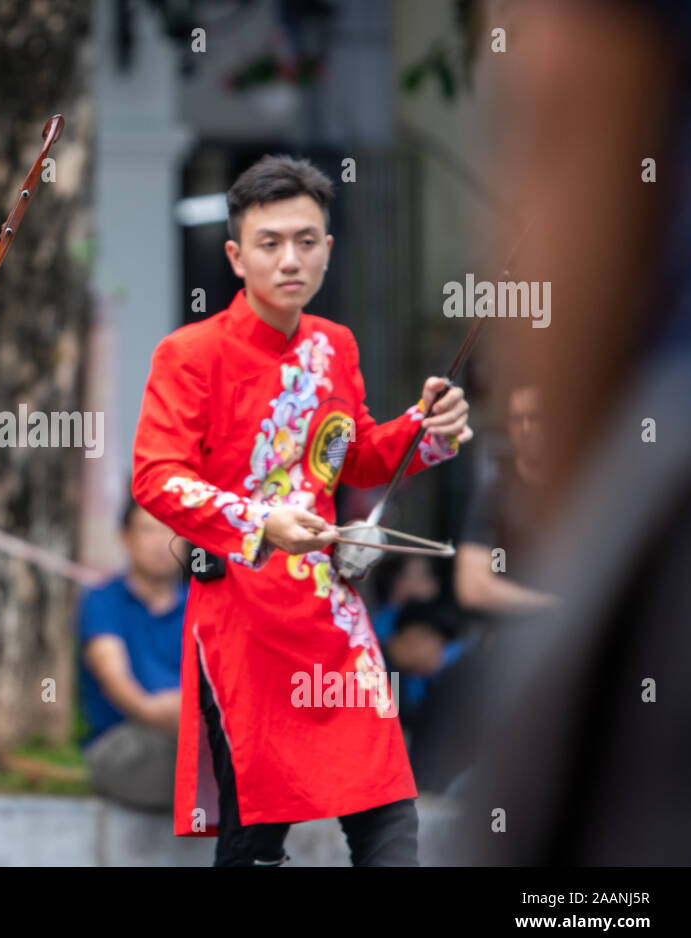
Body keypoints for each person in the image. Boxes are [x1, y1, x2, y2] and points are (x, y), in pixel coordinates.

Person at [132, 154, 472, 866]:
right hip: (242, 622)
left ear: (328, 248)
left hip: (331, 618)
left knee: (387, 815)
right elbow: (157, 478)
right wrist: (260, 523)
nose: (291, 259)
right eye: (270, 243)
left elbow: (352, 457)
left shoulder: (335, 346)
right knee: (255, 836)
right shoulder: (188, 354)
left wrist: (424, 428)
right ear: (235, 255)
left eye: (307, 240)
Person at [77, 496, 187, 810]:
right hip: (126, 740)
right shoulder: (102, 601)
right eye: (148, 531)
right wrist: (157, 711)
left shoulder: (205, 605)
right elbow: (113, 677)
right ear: (125, 539)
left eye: (170, 531)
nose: (160, 543)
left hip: (194, 737)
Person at [454, 382, 558, 615]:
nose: (526, 428)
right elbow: (472, 587)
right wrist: (552, 607)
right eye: (517, 419)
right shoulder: (495, 493)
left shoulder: (580, 482)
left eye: (536, 417)